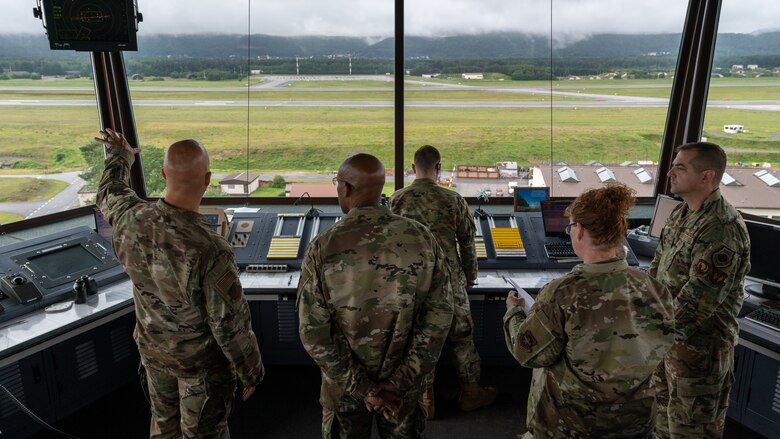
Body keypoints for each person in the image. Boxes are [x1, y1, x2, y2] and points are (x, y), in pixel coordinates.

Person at [96, 128, 264, 438]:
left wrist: (120, 155)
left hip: (154, 356)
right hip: (201, 369)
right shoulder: (210, 248)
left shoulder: (130, 219)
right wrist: (250, 371)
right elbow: (229, 325)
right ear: (208, 179)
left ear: (162, 174)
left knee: (163, 427)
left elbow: (109, 191)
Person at [297, 153, 454, 438]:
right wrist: (399, 382)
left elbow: (314, 333)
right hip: (402, 393)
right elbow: (439, 320)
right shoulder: (422, 239)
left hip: (345, 391)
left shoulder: (323, 247)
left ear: (344, 189)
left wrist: (362, 389)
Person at [504, 184, 675, 438]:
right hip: (635, 424)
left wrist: (514, 313)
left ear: (580, 230)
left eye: (570, 226)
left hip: (573, 425)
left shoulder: (562, 293)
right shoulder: (653, 288)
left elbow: (527, 353)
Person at [651, 142, 751, 438]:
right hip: (667, 345)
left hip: (699, 355)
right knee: (662, 426)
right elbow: (657, 269)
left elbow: (696, 304)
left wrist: (644, 331)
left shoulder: (722, 228)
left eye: (680, 168)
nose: (670, 172)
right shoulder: (682, 213)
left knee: (692, 431)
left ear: (706, 176)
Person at [389, 145, 496, 418]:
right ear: (439, 168)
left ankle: (426, 398)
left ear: (413, 169)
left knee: (420, 338)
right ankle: (471, 392)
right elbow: (467, 243)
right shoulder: (453, 200)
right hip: (451, 280)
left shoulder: (398, 200)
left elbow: (391, 247)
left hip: (414, 282)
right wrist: (470, 275)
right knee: (461, 337)